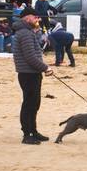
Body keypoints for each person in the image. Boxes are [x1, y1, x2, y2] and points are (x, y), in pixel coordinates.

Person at [12, 7, 53, 145]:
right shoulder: (25, 33)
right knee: (29, 104)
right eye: (35, 17)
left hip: (33, 73)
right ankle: (27, 134)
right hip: (28, 74)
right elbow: (30, 57)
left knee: (35, 103)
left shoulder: (28, 32)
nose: (38, 19)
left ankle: (33, 131)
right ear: (27, 18)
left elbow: (35, 53)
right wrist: (45, 67)